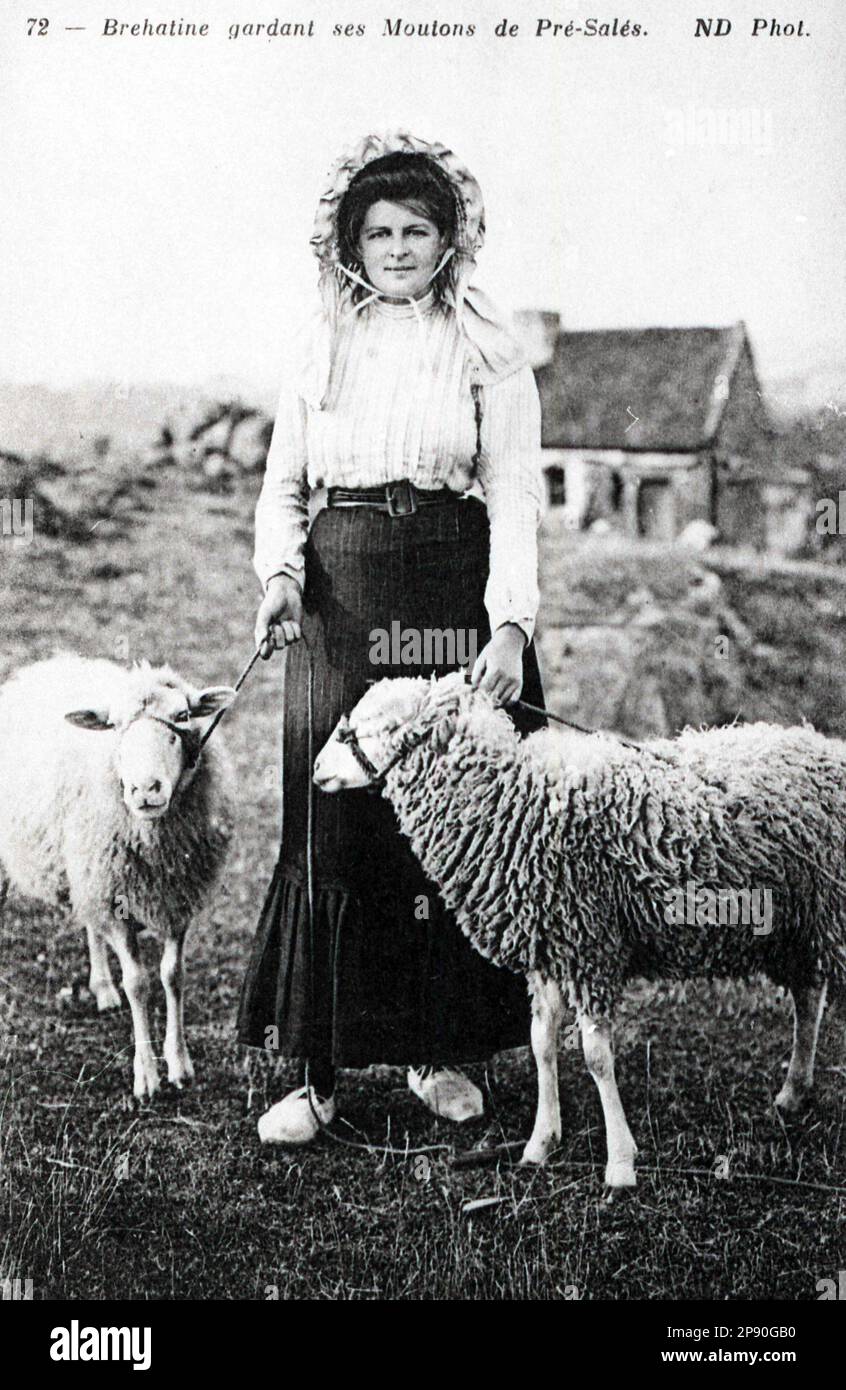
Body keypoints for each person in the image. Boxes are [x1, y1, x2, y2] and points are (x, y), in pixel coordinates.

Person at [237, 131, 546, 1144]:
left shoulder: (489, 348)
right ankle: (319, 1071)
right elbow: (284, 484)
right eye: (381, 231)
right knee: (337, 819)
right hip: (345, 593)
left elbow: (512, 492)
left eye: (419, 229)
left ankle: (440, 1050)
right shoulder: (321, 343)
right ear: (351, 243)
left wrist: (508, 625)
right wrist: (281, 571)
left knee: (449, 820)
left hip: (455, 586)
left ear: (449, 240)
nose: (401, 246)